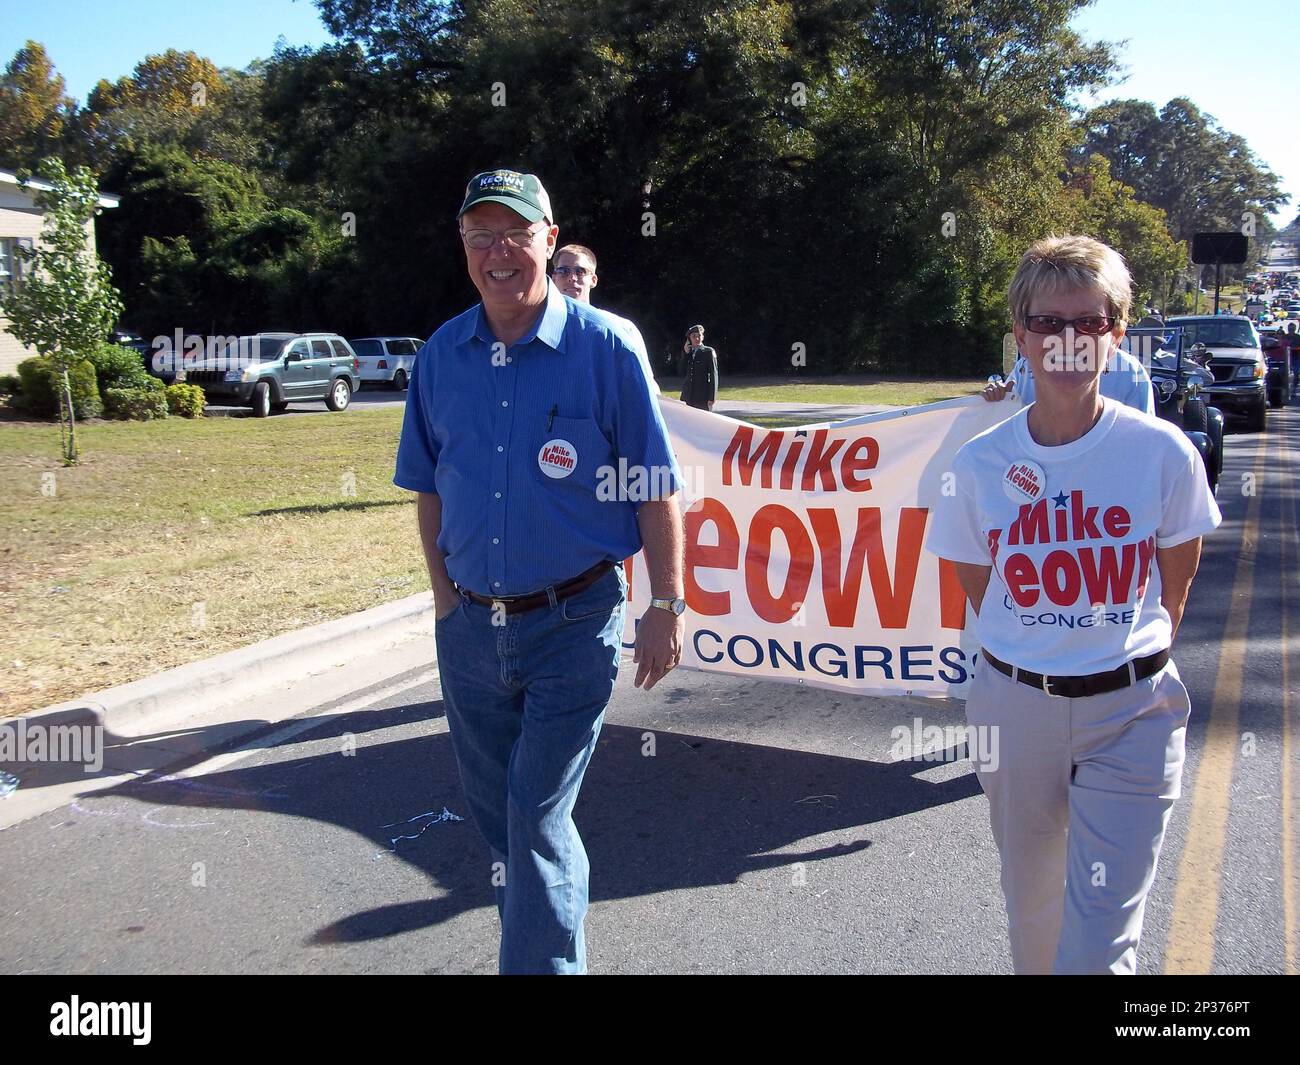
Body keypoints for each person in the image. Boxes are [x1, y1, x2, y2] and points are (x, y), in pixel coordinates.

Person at [394, 169, 687, 974]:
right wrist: (445, 597)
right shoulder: (441, 356)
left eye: (516, 233)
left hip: (573, 621)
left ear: (549, 240)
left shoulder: (606, 346)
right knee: (512, 827)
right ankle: (548, 933)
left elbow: (655, 486)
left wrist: (668, 602)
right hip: (470, 634)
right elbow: (427, 488)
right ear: (463, 248)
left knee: (535, 811)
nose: (498, 251)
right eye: (479, 235)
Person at [927, 234, 1221, 974]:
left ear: (1116, 332)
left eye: (1088, 321)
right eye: (1050, 322)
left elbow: (1173, 586)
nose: (1068, 340)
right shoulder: (981, 464)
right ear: (1021, 334)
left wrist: (1106, 653)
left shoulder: (1162, 453)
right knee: (1035, 918)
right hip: (1014, 708)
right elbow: (980, 584)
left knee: (1098, 945)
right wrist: (1046, 646)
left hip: (1133, 714)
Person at [551, 243, 660, 394]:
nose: (572, 278)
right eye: (563, 271)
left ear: (593, 280)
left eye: (580, 271)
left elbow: (647, 390)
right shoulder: (534, 328)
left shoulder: (622, 329)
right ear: (554, 278)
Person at [680, 324, 718, 411]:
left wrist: (712, 397)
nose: (697, 339)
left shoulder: (708, 352)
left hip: (702, 396)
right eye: (694, 336)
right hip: (689, 395)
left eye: (699, 336)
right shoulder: (688, 352)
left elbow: (714, 375)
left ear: (703, 337)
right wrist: (685, 354)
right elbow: (680, 371)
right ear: (689, 339)